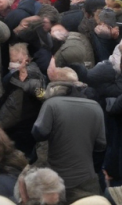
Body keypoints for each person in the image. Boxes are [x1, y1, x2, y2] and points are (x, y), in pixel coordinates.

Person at [31, 68, 106, 202]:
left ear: (55, 85)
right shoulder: (95, 107)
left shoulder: (51, 104)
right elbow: (101, 145)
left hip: (55, 179)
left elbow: (38, 133)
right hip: (86, 179)